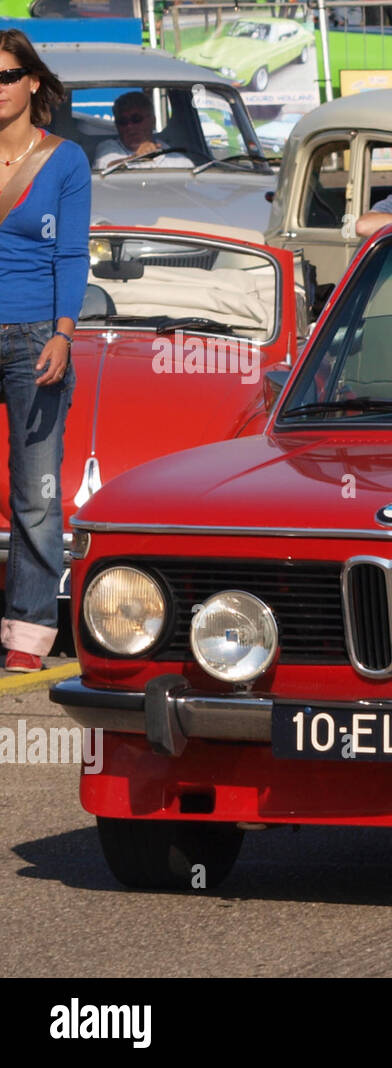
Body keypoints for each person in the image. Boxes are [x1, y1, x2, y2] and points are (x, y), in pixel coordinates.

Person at [0, 28, 89, 671]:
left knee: (36, 492)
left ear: (32, 81)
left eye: (7, 76)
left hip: (35, 337)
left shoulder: (65, 161)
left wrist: (63, 332)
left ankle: (28, 636)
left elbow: (71, 253)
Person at [93, 91, 191, 169]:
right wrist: (137, 157)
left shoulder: (175, 159)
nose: (129, 126)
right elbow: (107, 169)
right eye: (122, 121)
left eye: (136, 119)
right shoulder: (108, 149)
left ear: (152, 121)